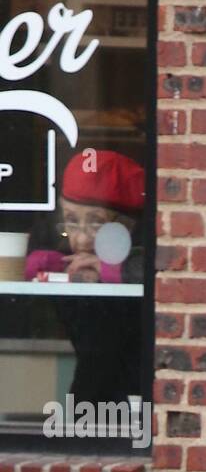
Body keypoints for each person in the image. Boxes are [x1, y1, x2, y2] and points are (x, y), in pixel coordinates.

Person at [25, 149, 145, 406]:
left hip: (141, 393)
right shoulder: (62, 254)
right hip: (87, 394)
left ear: (128, 227)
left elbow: (163, 274)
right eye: (71, 220)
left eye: (96, 223)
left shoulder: (144, 255)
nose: (80, 239)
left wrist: (113, 272)